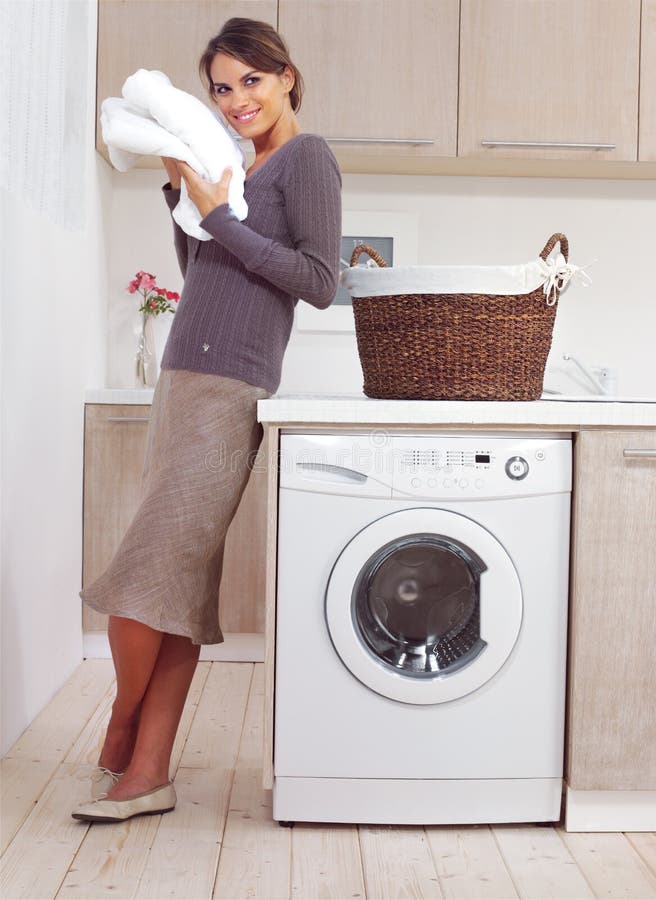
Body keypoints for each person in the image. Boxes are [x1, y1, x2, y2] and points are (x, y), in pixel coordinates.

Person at [72, 17, 341, 823]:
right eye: (221, 88)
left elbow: (319, 280)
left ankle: (121, 725)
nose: (234, 101)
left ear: (286, 77)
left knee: (147, 572)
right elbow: (208, 273)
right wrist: (185, 201)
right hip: (186, 376)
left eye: (249, 82)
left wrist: (221, 214)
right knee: (180, 585)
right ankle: (148, 769)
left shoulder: (306, 159)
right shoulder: (234, 163)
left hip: (230, 390)